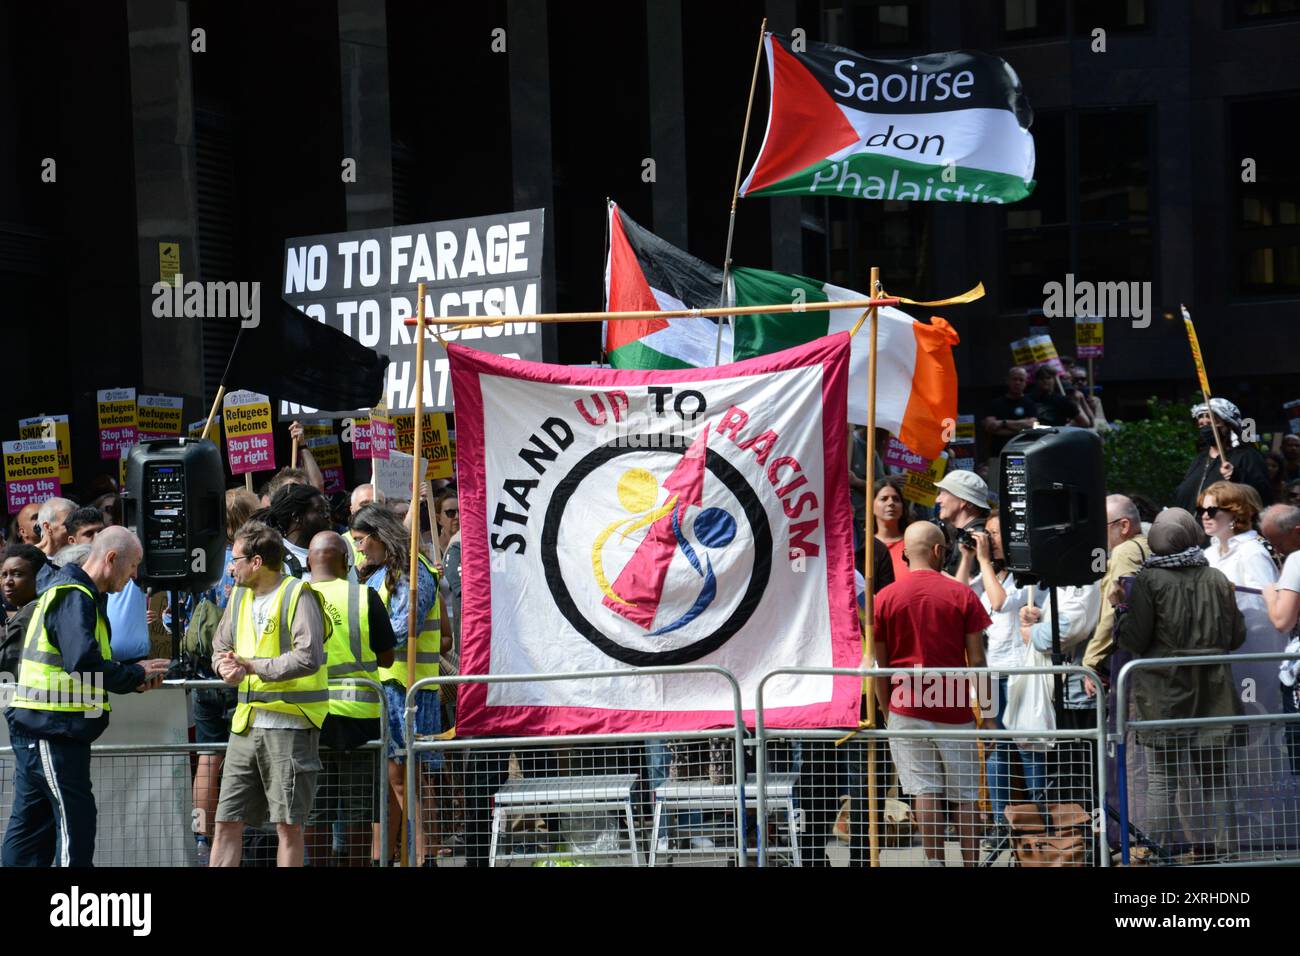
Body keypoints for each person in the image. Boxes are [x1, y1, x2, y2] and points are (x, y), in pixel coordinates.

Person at [1, 528, 171, 866]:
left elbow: (82, 661)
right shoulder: (73, 594)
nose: (135, 575)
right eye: (133, 565)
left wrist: (131, 676)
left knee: (33, 830)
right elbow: (82, 662)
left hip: (46, 727)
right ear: (111, 559)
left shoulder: (73, 593)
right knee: (73, 825)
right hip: (51, 728)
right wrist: (133, 676)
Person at [1113, 508, 1246, 862]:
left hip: (1163, 694)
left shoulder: (1149, 581)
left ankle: (1155, 854)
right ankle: (1227, 854)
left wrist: (1120, 611)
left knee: (1162, 782)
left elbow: (1135, 641)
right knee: (1215, 780)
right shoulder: (1217, 578)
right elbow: (1237, 636)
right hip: (1214, 692)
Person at [208, 520, 329, 868]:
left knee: (288, 825)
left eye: (236, 559)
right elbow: (221, 647)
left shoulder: (297, 594)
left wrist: (251, 666)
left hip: (289, 726)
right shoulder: (240, 598)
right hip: (245, 725)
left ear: (257, 561)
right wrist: (224, 668)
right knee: (226, 821)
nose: (231, 567)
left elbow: (309, 657)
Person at [874, 521, 991, 867]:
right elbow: (978, 660)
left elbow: (881, 667)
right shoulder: (962, 594)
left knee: (924, 789)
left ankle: (934, 861)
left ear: (906, 553)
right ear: (940, 551)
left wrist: (885, 709)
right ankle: (971, 863)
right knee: (966, 793)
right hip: (952, 703)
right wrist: (989, 712)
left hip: (904, 704)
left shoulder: (885, 597)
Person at [351, 503, 449, 865]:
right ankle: (390, 857)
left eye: (362, 540)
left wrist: (360, 641)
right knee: (392, 781)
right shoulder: (377, 573)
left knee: (407, 780)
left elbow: (402, 626)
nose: (359, 548)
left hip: (410, 691)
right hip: (386, 686)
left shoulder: (415, 573)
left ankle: (423, 856)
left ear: (379, 536)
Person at [304, 531, 396, 866]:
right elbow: (387, 658)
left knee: (315, 808)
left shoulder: (293, 597)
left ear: (307, 562)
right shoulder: (364, 596)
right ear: (346, 562)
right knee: (360, 809)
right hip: (360, 718)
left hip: (310, 719)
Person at [188, 486, 262, 865]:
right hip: (239, 674)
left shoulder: (203, 559)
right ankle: (240, 834)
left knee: (207, 757)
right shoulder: (247, 565)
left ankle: (202, 836)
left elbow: (178, 619)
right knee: (241, 760)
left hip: (204, 676)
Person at [953, 515, 1036, 835]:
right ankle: (1001, 824)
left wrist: (985, 561)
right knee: (994, 748)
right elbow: (957, 598)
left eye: (996, 533)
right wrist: (968, 558)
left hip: (1016, 672)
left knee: (1027, 746)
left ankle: (1034, 822)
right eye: (987, 533)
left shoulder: (1024, 577)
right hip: (987, 674)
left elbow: (1000, 602)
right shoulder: (985, 574)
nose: (990, 538)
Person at [1081, 495, 1149, 690]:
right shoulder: (1148, 545)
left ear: (1124, 526)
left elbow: (1115, 611)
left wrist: (1091, 659)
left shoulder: (1124, 552)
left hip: (1127, 659)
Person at [1173, 398, 1271, 515]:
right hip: (1192, 530)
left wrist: (1237, 475)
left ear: (1228, 425)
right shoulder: (1199, 459)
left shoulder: (1247, 456)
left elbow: (1263, 495)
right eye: (1201, 424)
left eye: (1210, 423)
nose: (1205, 428)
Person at [259, 483, 335, 578]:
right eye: (320, 511)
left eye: (327, 510)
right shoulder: (275, 559)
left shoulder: (337, 549)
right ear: (296, 517)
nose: (327, 516)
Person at [1, 544, 47, 679]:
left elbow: (6, 667)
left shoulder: (29, 615)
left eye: (17, 574)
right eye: (4, 575)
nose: (8, 582)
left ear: (38, 577)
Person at [932, 470, 990, 575]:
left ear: (964, 501)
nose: (937, 500)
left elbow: (970, 587)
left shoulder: (975, 538)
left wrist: (929, 571)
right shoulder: (966, 534)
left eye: (943, 493)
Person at [981, 366, 1038, 465]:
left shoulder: (1030, 404)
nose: (1017, 383)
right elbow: (990, 426)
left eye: (1021, 380)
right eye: (1014, 379)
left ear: (1026, 383)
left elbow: (1032, 425)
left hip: (1024, 454)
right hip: (998, 455)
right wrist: (1019, 429)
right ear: (1008, 380)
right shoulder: (996, 404)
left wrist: (1003, 423)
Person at [873, 477, 910, 581]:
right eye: (884, 499)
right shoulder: (863, 546)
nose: (891, 503)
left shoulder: (913, 544)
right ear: (871, 505)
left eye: (896, 499)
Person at [34, 497, 75, 561]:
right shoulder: (30, 560)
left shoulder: (83, 557)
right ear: (47, 527)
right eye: (69, 523)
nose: (77, 528)